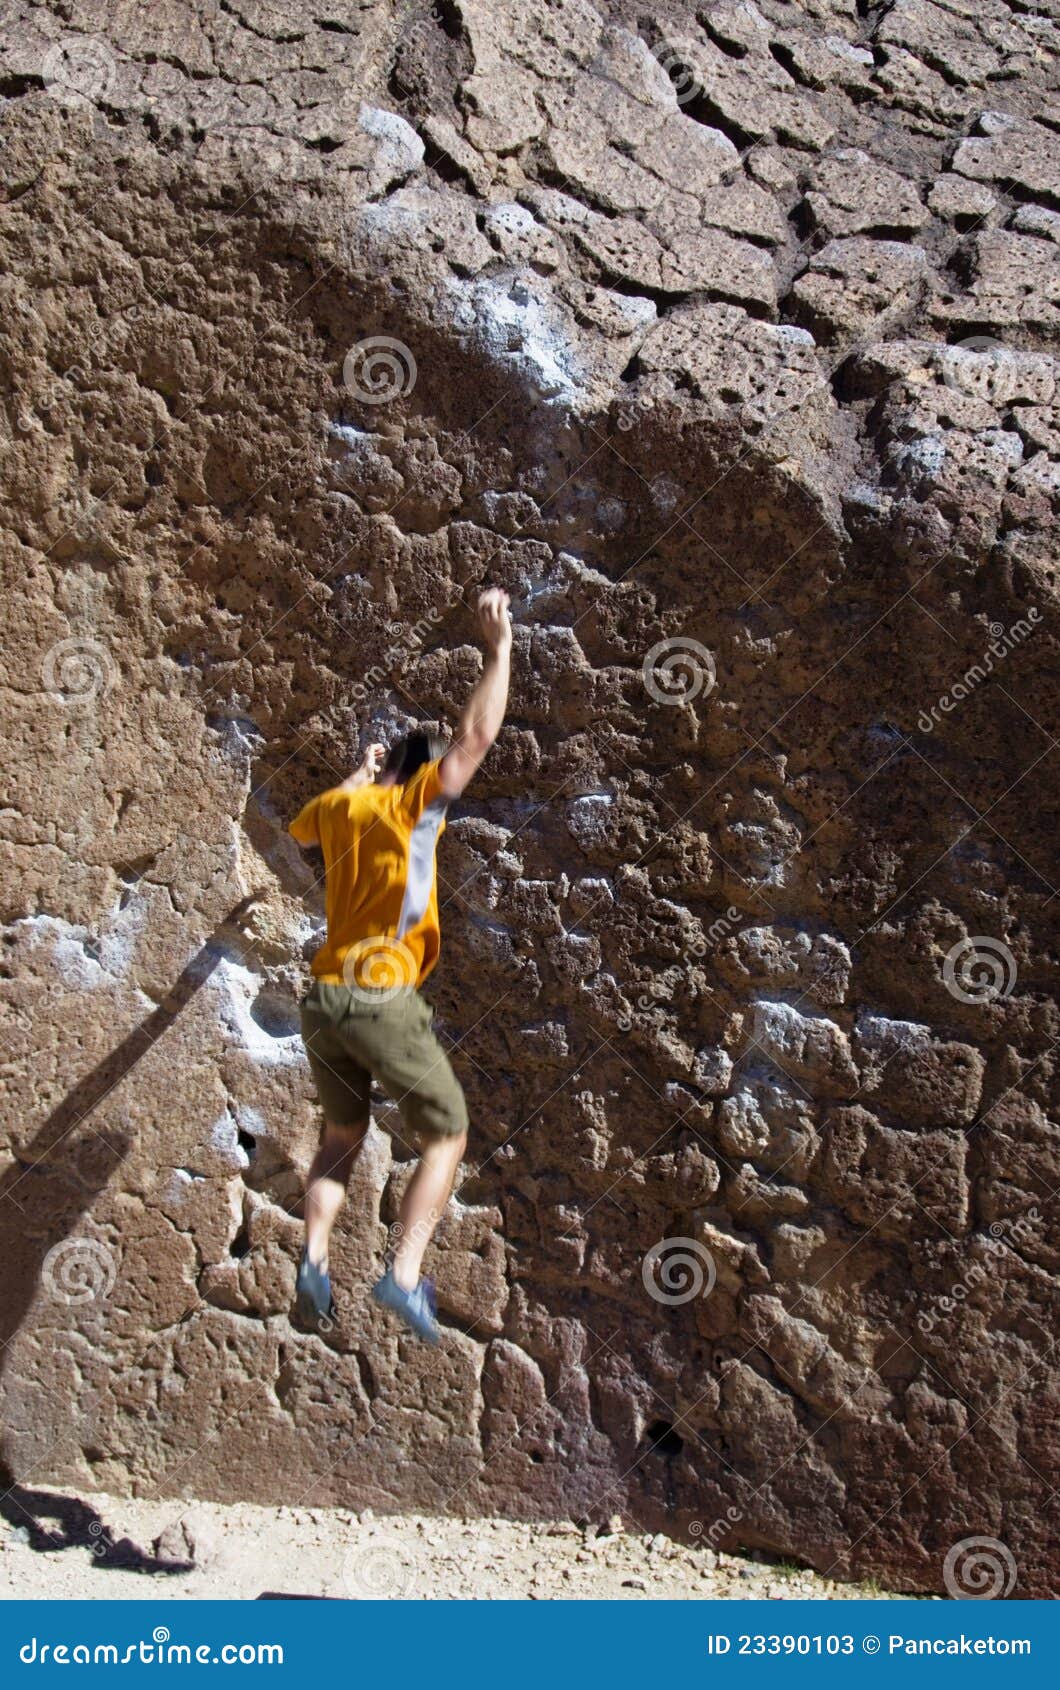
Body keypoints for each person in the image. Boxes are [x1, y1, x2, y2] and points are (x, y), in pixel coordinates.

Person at [287, 587, 512, 1345]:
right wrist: (498, 649)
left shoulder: (340, 808)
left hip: (322, 997)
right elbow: (474, 740)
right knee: (446, 1136)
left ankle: (313, 1260)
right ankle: (405, 1273)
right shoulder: (417, 803)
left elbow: (309, 828)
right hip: (382, 993)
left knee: (340, 1138)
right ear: (418, 780)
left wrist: (359, 774)